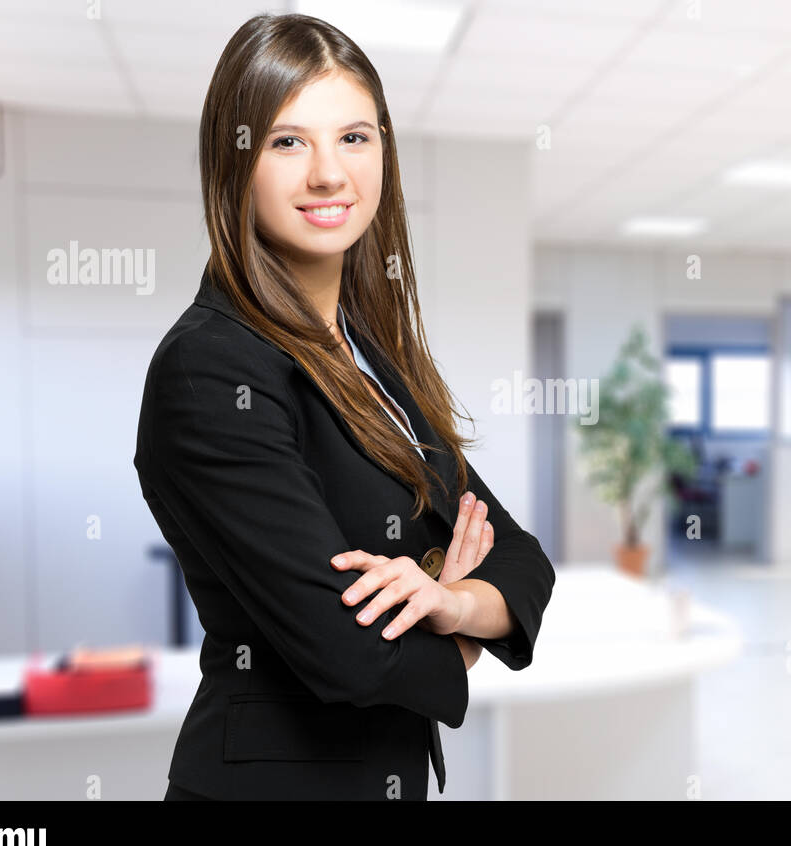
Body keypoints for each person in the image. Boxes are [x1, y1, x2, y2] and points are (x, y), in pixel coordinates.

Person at [134, 12, 555, 801]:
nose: (329, 173)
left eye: (354, 138)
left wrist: (450, 597)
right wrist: (461, 640)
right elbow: (349, 654)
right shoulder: (208, 367)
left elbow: (523, 557)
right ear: (234, 164)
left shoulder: (368, 354)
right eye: (288, 142)